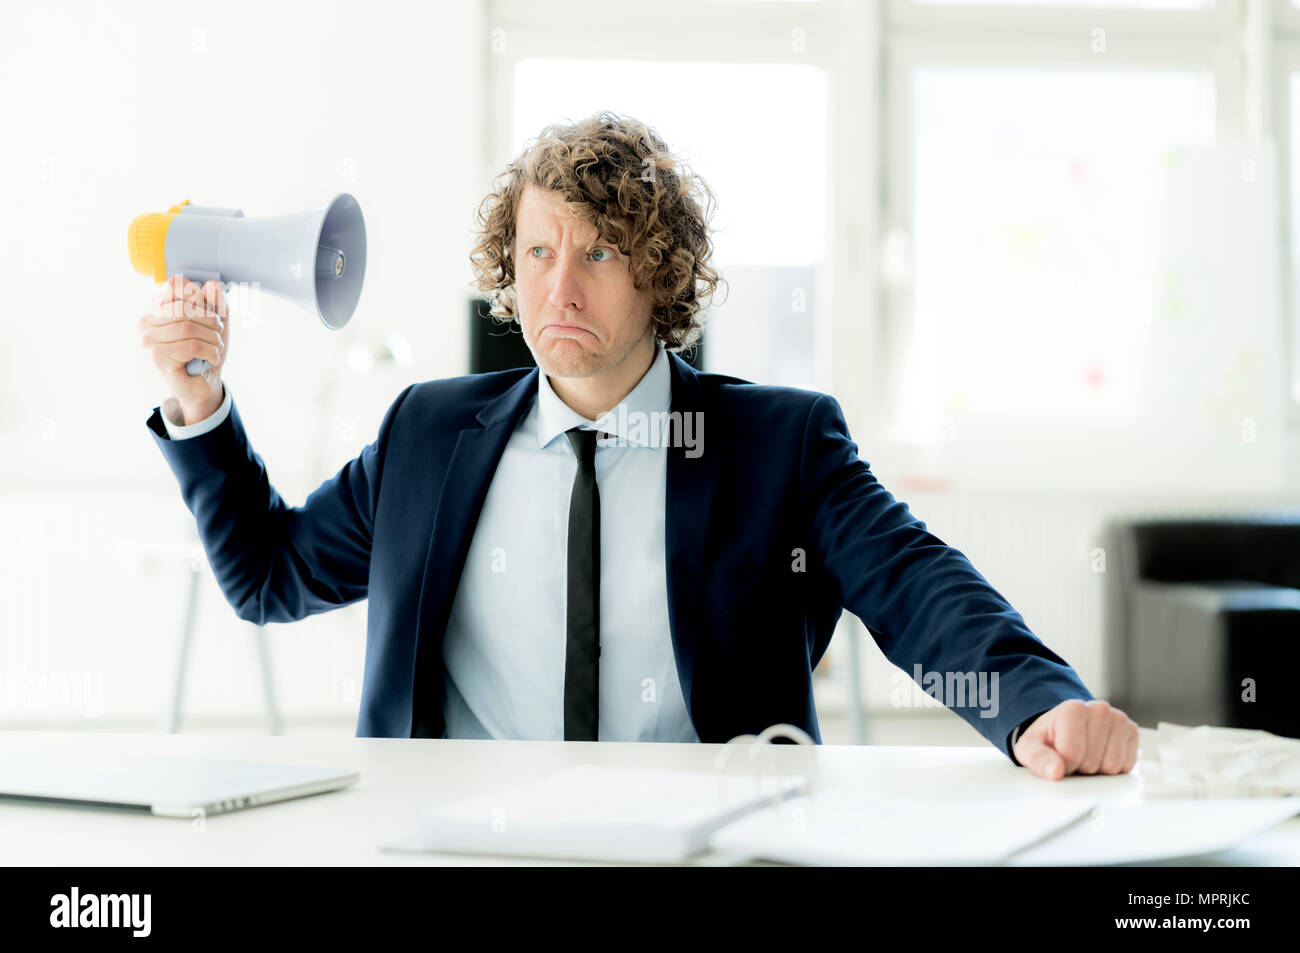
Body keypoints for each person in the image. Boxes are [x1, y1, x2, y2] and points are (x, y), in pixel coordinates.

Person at [138, 111, 1137, 781]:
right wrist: (200, 400)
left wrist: (1034, 703)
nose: (558, 288)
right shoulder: (426, 434)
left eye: (599, 252)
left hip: (702, 847)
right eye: (538, 251)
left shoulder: (777, 443)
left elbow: (918, 587)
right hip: (458, 849)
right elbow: (267, 577)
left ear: (661, 274)